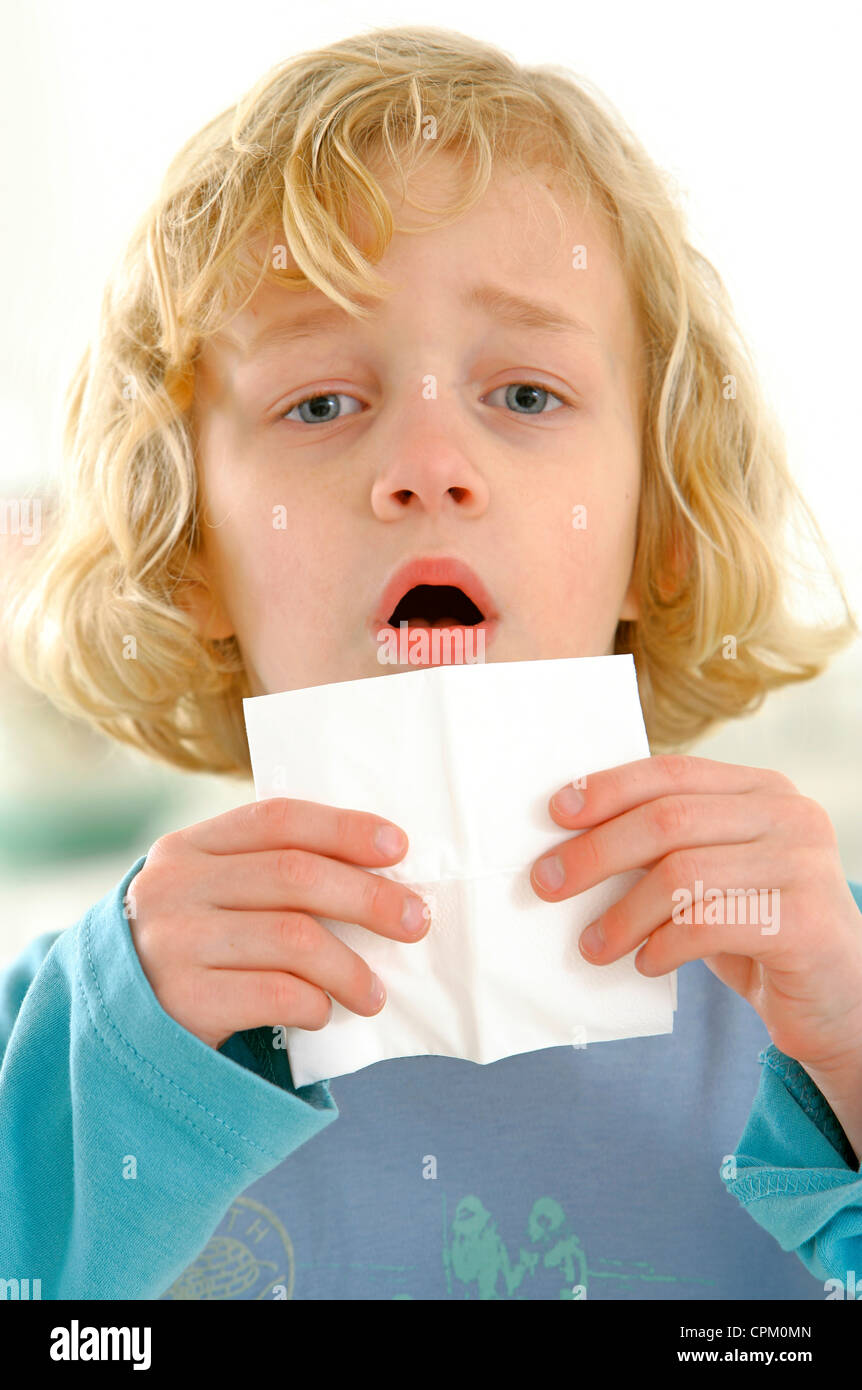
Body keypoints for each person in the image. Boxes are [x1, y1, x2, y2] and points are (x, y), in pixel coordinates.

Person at [2, 25, 860, 1301]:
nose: (426, 462)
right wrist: (117, 1073)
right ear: (193, 554)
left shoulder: (814, 971)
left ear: (657, 537)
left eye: (523, 395)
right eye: (321, 403)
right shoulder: (76, 1043)